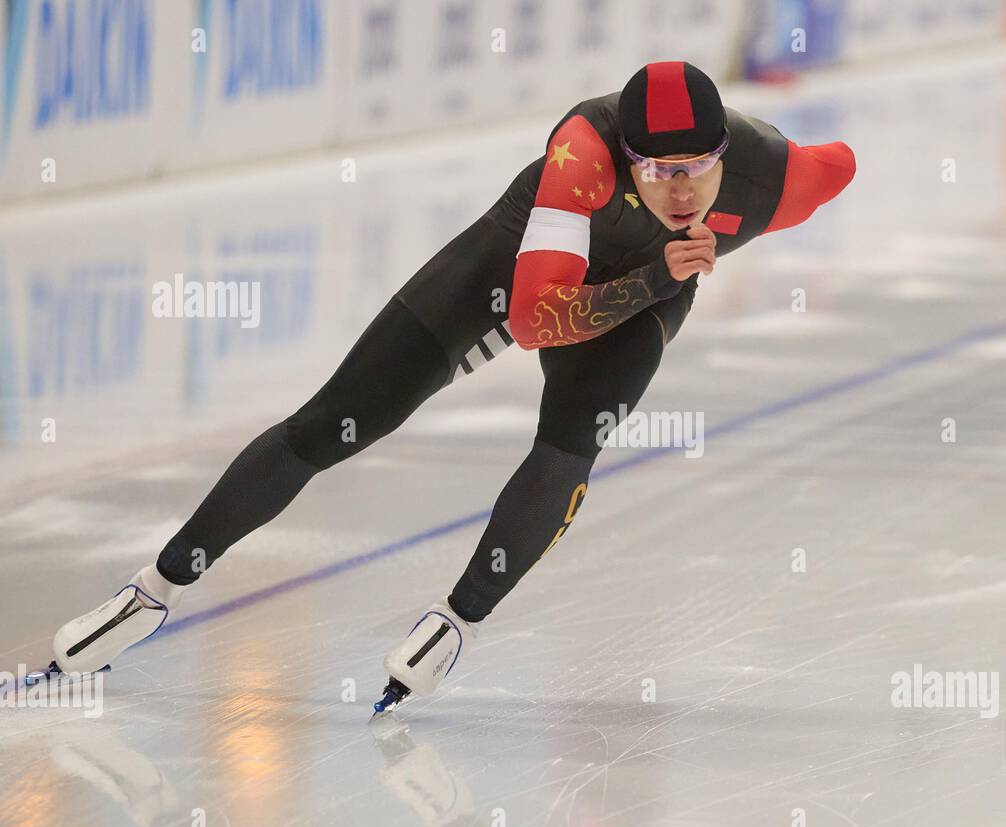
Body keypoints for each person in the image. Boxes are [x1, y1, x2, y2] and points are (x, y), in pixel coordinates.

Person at [47, 62, 856, 713]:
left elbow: (841, 164)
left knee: (574, 440)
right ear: (627, 159)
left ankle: (459, 620)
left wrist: (657, 281)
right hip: (520, 266)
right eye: (659, 171)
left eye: (699, 171)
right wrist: (652, 276)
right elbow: (538, 322)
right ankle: (153, 591)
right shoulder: (582, 155)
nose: (683, 192)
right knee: (335, 424)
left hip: (650, 289)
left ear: (728, 157)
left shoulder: (778, 180)